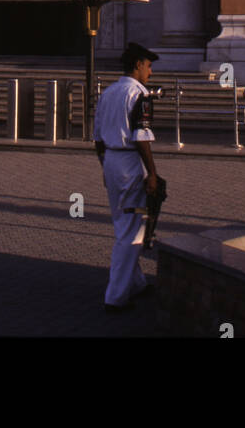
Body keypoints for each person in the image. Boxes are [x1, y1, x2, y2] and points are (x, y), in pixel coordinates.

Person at [93, 41, 160, 311]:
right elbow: (142, 138)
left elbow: (97, 136)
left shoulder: (108, 92)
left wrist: (104, 166)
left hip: (111, 160)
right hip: (131, 163)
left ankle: (137, 283)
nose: (150, 72)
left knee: (123, 222)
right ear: (137, 65)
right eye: (149, 66)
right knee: (132, 230)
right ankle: (116, 296)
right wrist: (152, 173)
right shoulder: (140, 94)